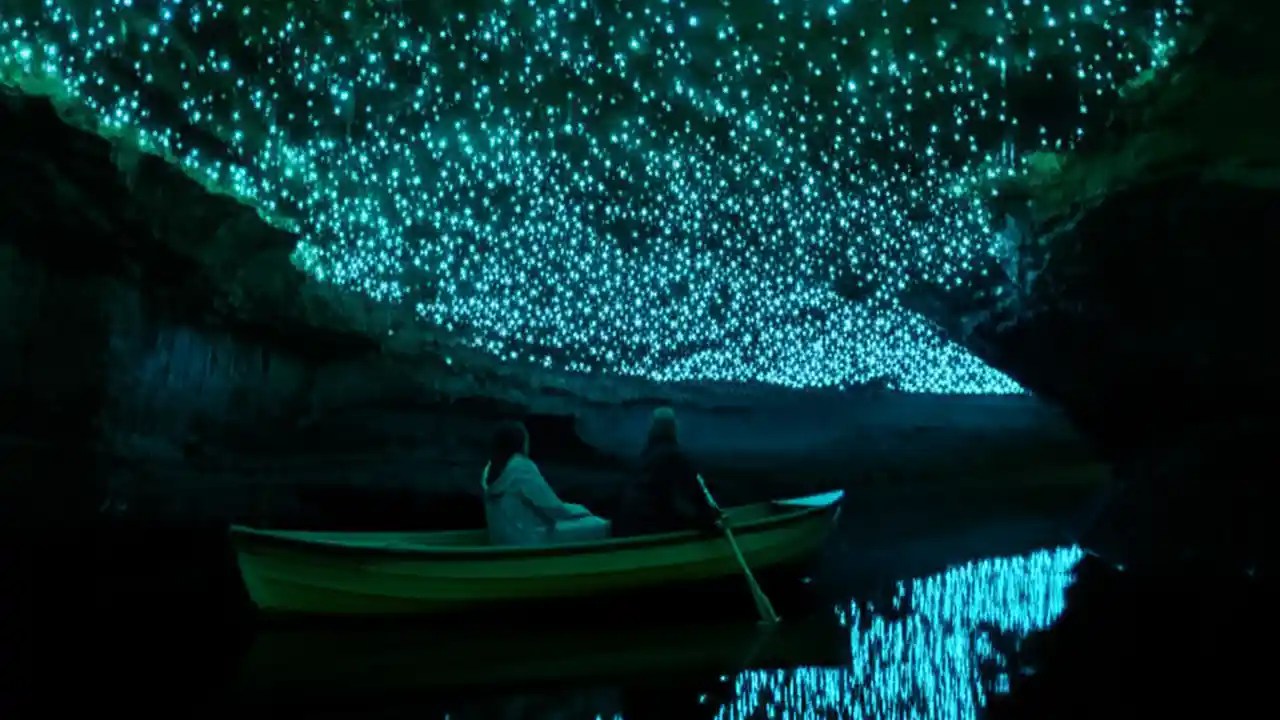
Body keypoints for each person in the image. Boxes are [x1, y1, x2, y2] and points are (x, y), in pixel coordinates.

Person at [481, 420, 604, 546]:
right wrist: (582, 510)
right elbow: (554, 508)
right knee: (598, 523)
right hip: (525, 540)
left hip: (499, 539)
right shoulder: (521, 467)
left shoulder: (489, 470)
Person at [613, 407, 723, 538]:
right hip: (654, 528)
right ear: (675, 428)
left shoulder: (645, 456)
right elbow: (680, 502)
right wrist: (709, 521)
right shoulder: (676, 458)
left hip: (631, 526)